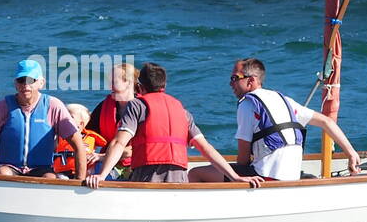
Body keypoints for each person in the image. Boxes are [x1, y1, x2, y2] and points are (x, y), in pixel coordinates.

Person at [84, 63, 261, 188]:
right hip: (179, 179)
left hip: (147, 176)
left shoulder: (137, 105)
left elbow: (119, 143)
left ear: (140, 86)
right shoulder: (182, 111)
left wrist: (101, 175)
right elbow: (206, 148)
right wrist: (235, 177)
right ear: (164, 85)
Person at [189, 58, 362, 183]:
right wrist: (351, 153)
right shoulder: (285, 100)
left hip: (266, 177)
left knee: (196, 174)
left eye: (235, 78)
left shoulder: (248, 105)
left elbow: (242, 157)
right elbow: (327, 122)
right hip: (291, 177)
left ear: (251, 81)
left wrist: (239, 178)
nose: (230, 83)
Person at [0, 59, 88, 180]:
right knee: (3, 173)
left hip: (41, 168)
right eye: (21, 80)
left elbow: (78, 146)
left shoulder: (53, 106)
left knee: (49, 177)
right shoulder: (1, 107)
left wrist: (79, 181)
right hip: (9, 167)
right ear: (15, 84)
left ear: (41, 82)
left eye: (30, 80)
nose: (25, 85)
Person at [88, 61, 137, 173]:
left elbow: (134, 150)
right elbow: (89, 135)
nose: (110, 86)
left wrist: (102, 157)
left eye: (114, 81)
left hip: (133, 165)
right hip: (107, 161)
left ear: (128, 83)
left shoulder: (142, 109)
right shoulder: (104, 107)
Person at [53, 104, 106, 178]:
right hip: (62, 171)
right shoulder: (59, 136)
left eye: (70, 117)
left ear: (81, 124)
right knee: (59, 177)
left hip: (85, 172)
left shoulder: (90, 138)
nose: (65, 118)